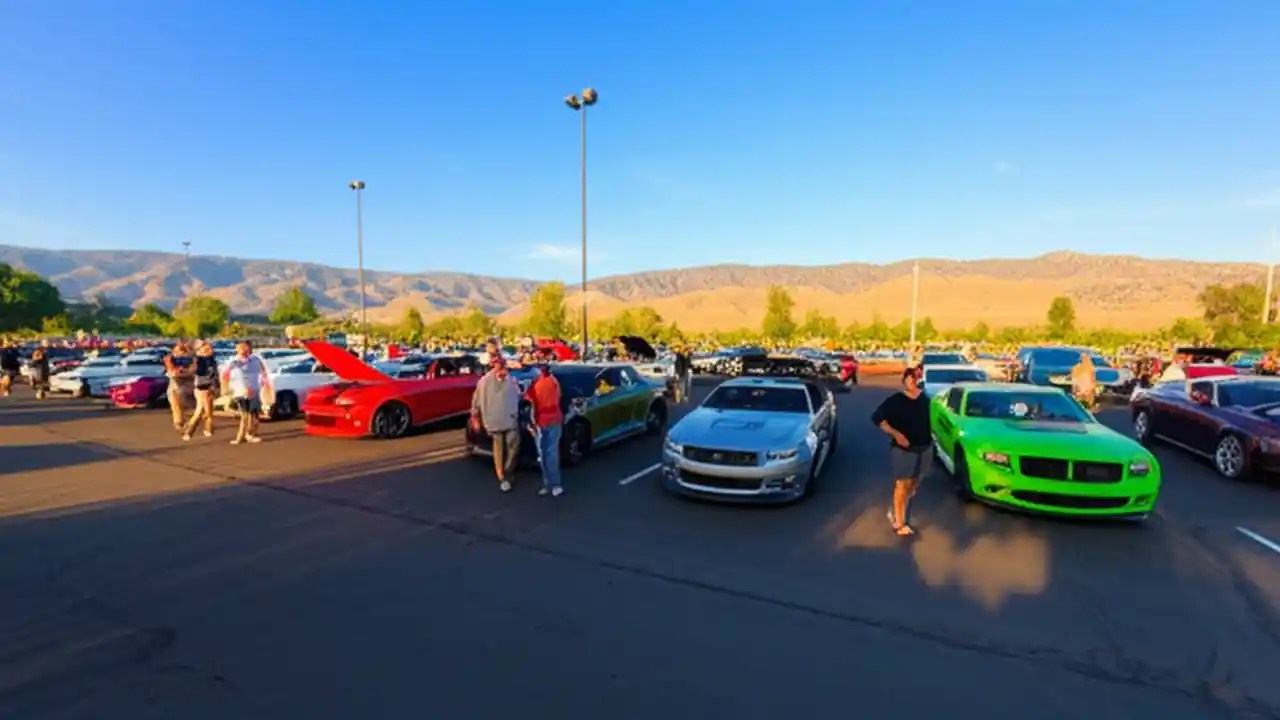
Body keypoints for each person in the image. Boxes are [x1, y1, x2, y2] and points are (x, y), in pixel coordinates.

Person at [871, 366, 931, 537]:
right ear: (904, 381)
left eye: (915, 378)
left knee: (913, 485)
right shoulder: (896, 400)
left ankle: (897, 507)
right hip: (903, 451)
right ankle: (899, 522)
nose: (912, 381)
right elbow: (877, 418)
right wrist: (896, 434)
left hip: (924, 448)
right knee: (902, 485)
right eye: (908, 378)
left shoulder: (926, 400)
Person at [471, 356, 522, 493]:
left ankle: (507, 470)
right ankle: (502, 476)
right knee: (498, 447)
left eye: (502, 365)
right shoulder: (485, 382)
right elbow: (476, 400)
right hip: (494, 419)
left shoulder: (511, 380)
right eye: (498, 365)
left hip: (510, 418)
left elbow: (518, 395)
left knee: (513, 445)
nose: (501, 368)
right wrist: (475, 416)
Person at [525, 364, 564, 497]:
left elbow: (530, 405)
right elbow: (559, 396)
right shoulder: (554, 382)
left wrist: (531, 423)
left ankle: (547, 484)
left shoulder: (534, 385)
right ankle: (555, 484)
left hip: (540, 422)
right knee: (551, 453)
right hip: (553, 419)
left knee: (543, 454)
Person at [222, 341, 271, 445]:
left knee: (255, 415)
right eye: (241, 348)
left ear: (249, 349)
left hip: (255, 390)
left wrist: (266, 385)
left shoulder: (256, 360)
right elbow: (226, 374)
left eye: (245, 348)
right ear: (237, 350)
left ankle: (251, 434)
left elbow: (263, 373)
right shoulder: (234, 362)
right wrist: (225, 388)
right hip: (241, 392)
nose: (244, 350)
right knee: (244, 415)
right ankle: (240, 438)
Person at [183, 341, 219, 441]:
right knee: (201, 410)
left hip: (209, 386)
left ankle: (208, 429)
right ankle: (189, 431)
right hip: (201, 387)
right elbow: (199, 372)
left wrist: (216, 386)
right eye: (207, 349)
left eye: (211, 349)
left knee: (208, 410)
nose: (210, 350)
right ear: (200, 350)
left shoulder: (212, 360)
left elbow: (215, 374)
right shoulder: (199, 360)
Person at [163, 342, 196, 431]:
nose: (178, 354)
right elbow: (171, 372)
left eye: (180, 351)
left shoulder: (191, 360)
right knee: (174, 401)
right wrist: (170, 364)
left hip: (188, 385)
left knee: (182, 402)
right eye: (176, 351)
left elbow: (192, 371)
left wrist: (183, 371)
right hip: (174, 384)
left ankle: (186, 420)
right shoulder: (170, 359)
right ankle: (178, 421)